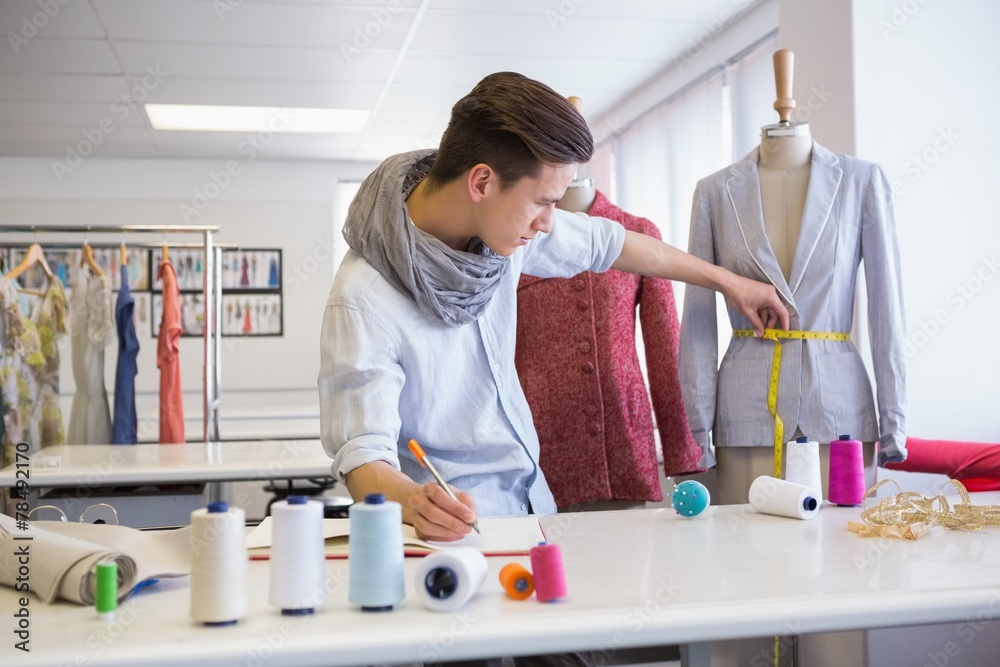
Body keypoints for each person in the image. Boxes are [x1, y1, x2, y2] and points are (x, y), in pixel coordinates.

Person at [318, 71, 788, 543]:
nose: (548, 224)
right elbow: (362, 457)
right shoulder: (364, 299)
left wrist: (730, 283)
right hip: (448, 533)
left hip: (533, 510)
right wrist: (415, 501)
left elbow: (617, 244)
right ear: (481, 181)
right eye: (543, 203)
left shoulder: (498, 230)